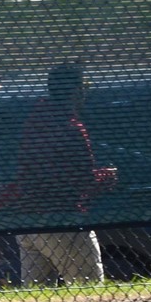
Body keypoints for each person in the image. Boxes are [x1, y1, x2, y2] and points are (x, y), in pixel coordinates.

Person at [15, 61, 116, 287]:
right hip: (63, 220)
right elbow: (81, 179)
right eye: (85, 87)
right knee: (89, 288)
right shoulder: (71, 128)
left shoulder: (35, 121)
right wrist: (106, 177)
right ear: (76, 91)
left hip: (28, 223)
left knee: (36, 293)